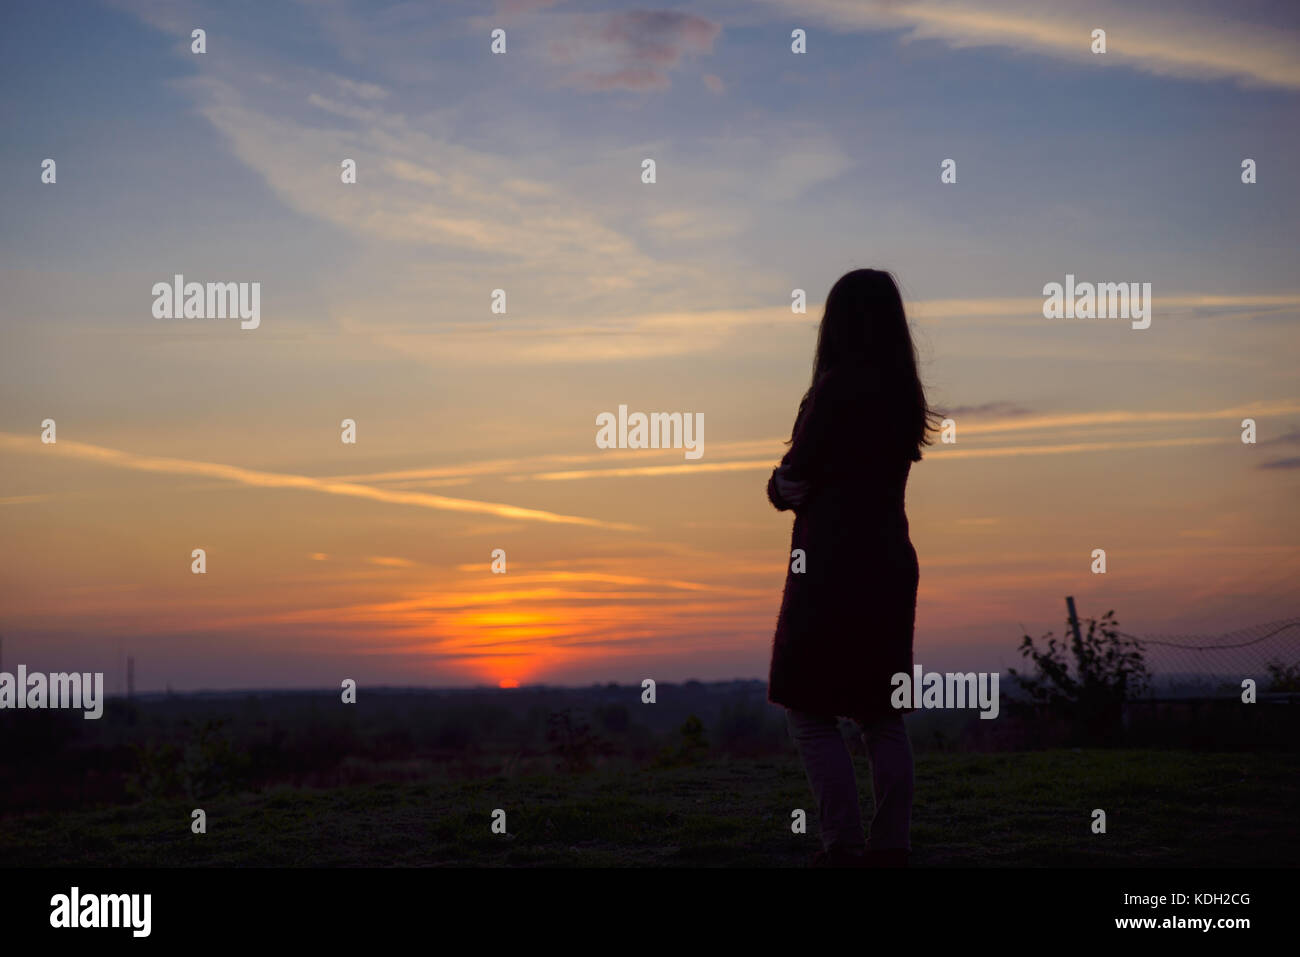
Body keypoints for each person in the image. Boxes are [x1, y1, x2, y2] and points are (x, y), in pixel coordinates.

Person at [766, 268, 938, 868]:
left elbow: (795, 474)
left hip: (831, 565)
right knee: (880, 714)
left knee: (809, 710)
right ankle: (892, 846)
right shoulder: (903, 395)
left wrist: (775, 487)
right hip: (889, 561)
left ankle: (842, 845)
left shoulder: (835, 390)